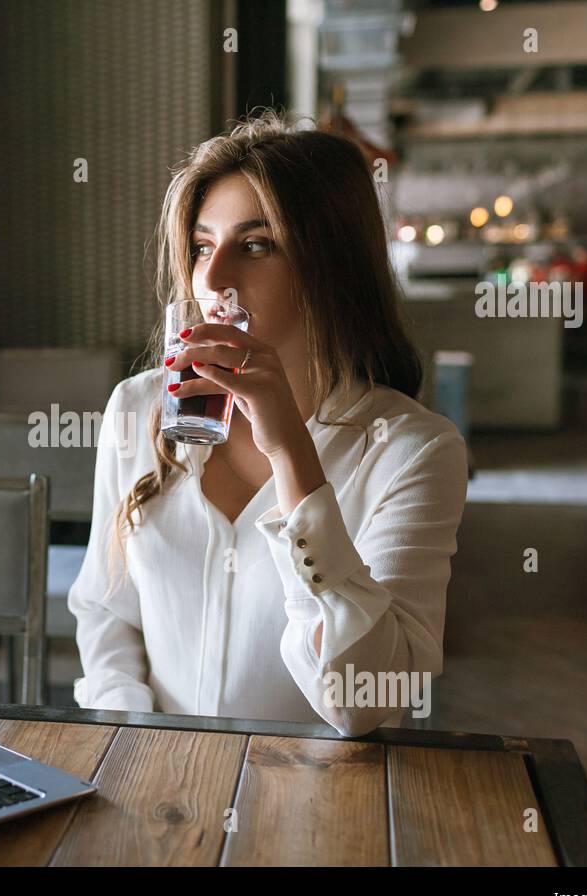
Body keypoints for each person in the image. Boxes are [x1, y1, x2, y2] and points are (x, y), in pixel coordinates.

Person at [67, 110, 469, 736]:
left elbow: (361, 702)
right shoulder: (138, 409)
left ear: (331, 267)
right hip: (155, 780)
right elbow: (105, 610)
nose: (212, 277)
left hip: (319, 796)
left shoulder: (414, 452)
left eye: (256, 245)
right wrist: (134, 741)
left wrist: (293, 460)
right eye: (202, 246)